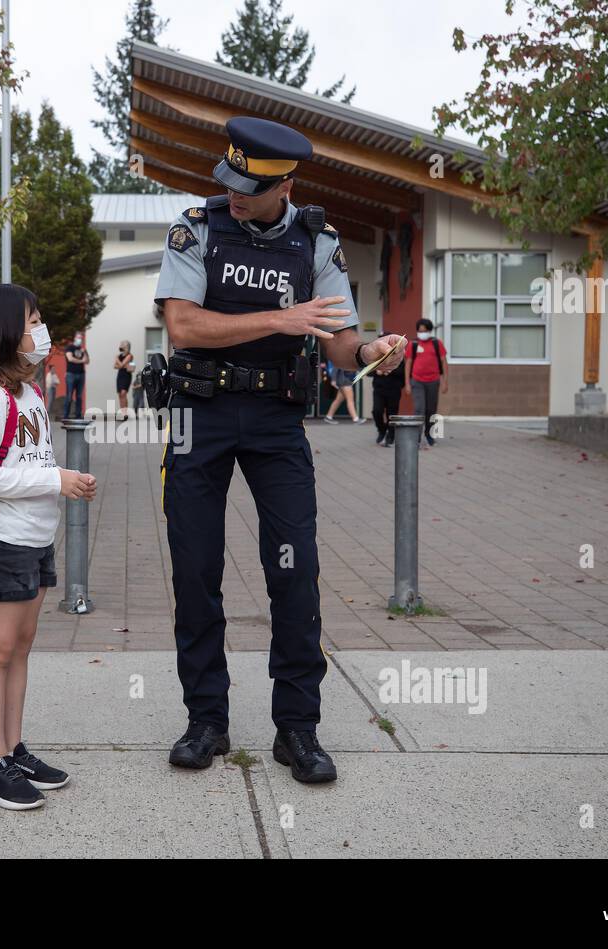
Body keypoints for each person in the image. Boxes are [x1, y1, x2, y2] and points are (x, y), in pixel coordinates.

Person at [153, 115, 405, 784]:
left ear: (286, 183)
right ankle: (206, 719)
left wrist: (368, 349)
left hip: (276, 419)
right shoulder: (197, 227)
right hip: (198, 413)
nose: (234, 193)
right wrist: (281, 318)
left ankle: (298, 727)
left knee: (295, 570)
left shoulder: (316, 241)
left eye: (250, 186)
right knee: (195, 569)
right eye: (228, 179)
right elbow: (183, 323)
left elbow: (340, 341)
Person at [0, 283, 97, 810]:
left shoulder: (28, 394)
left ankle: (13, 749)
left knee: (20, 647)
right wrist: (54, 481)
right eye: (32, 320)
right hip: (3, 541)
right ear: (5, 332)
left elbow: (30, 463)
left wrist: (61, 478)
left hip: (35, 539)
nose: (41, 330)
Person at [405, 318, 448, 449]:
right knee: (419, 409)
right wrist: (407, 383)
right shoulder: (413, 344)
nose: (422, 333)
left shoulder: (437, 343)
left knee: (431, 410)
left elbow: (443, 362)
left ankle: (430, 435)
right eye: (420, 331)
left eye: (424, 331)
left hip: (433, 381)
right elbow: (408, 363)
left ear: (429, 331)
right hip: (417, 381)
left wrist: (445, 381)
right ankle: (416, 438)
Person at [372, 356, 405, 447]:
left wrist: (389, 371)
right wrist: (376, 371)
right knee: (377, 411)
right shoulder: (377, 356)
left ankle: (391, 435)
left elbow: (403, 372)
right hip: (379, 389)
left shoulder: (399, 357)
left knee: (392, 414)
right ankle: (382, 430)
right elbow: (368, 371)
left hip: (394, 389)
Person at [63, 333, 88, 419]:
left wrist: (84, 353)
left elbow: (87, 361)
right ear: (74, 338)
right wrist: (82, 361)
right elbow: (70, 359)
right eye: (78, 337)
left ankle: (78, 415)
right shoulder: (70, 348)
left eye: (81, 338)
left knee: (79, 396)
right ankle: (66, 415)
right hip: (71, 374)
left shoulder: (82, 349)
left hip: (81, 374)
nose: (80, 339)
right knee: (69, 396)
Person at [114, 340, 134, 419]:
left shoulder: (130, 355)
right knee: (119, 394)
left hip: (126, 376)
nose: (121, 344)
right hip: (120, 375)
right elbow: (115, 366)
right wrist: (122, 365)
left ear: (127, 346)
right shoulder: (120, 356)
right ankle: (122, 413)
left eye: (123, 344)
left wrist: (117, 359)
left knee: (123, 393)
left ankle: (125, 413)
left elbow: (121, 365)